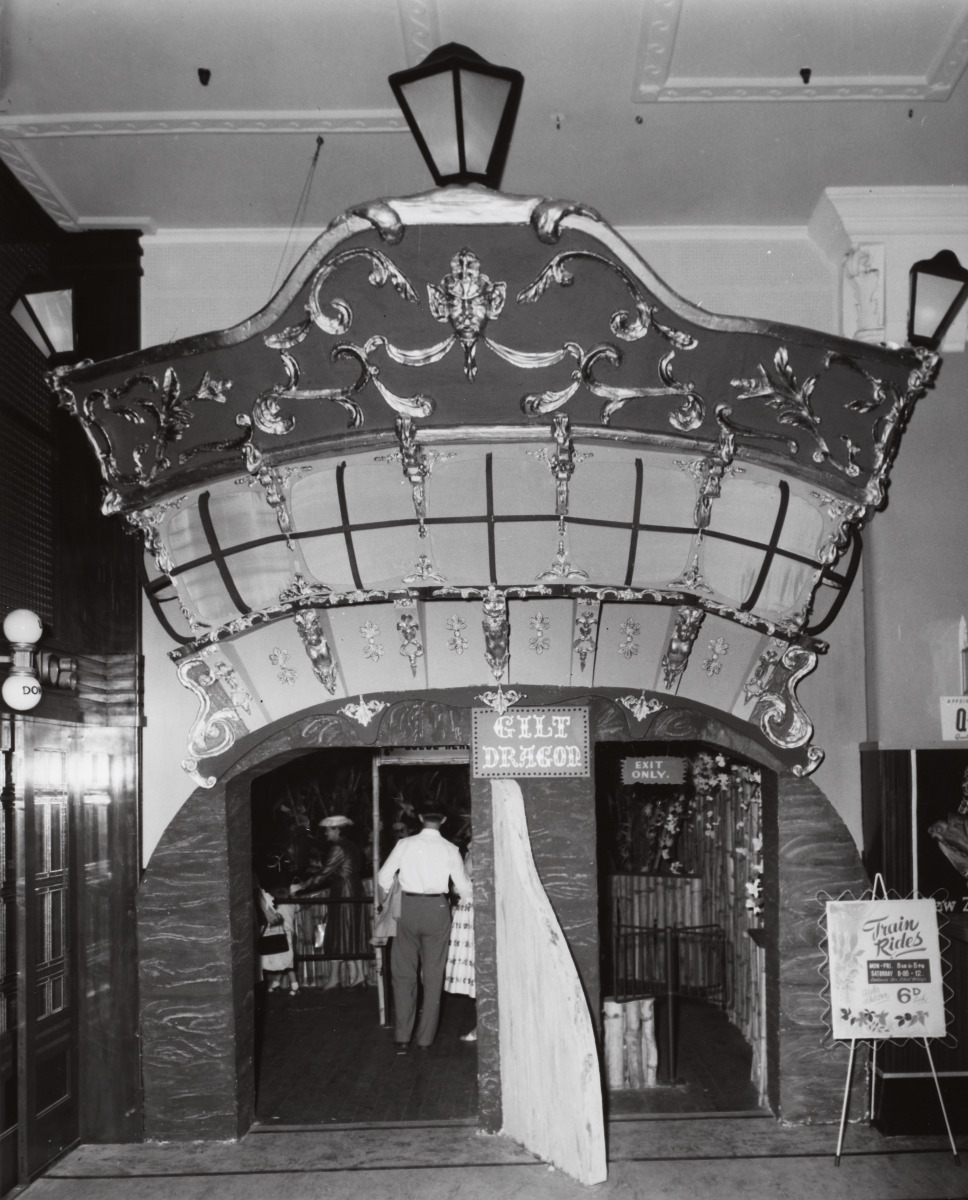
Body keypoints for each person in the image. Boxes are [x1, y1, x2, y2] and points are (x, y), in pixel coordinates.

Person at [377, 811, 471, 1053]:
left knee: (403, 973)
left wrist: (390, 899)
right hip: (437, 909)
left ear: (419, 818)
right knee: (433, 975)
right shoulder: (451, 848)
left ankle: (402, 1037)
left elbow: (383, 877)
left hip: (406, 908)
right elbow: (463, 888)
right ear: (444, 820)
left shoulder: (405, 844)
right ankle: (425, 1040)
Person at [291, 814, 369, 987]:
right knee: (351, 932)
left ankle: (336, 978)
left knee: (340, 930)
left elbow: (325, 873)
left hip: (344, 892)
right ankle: (358, 976)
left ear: (337, 830)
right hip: (353, 889)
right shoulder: (352, 846)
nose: (326, 833)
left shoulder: (338, 848)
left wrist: (302, 886)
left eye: (328, 830)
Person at [444, 840, 476, 1041]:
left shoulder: (475, 850)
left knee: (475, 973)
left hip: (470, 913)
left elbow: (460, 886)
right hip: (471, 911)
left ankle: (482, 1026)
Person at [259, 886, 299, 994]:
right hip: (289, 934)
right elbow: (299, 906)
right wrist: (295, 897)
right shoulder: (291, 905)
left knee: (283, 959)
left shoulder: (274, 907)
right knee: (287, 960)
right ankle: (281, 984)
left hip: (276, 935)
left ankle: (292, 984)